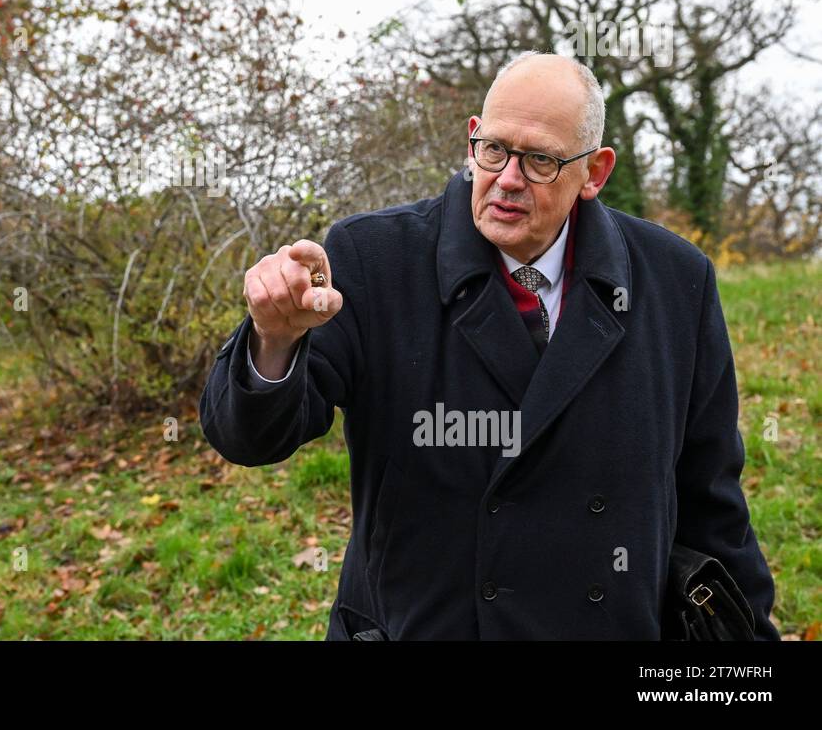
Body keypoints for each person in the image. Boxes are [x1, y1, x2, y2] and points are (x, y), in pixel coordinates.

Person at [199, 51, 779, 641]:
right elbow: (251, 440)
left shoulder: (675, 281)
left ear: (595, 173)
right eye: (495, 149)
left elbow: (713, 501)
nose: (507, 178)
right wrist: (275, 339)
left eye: (541, 161)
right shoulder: (374, 259)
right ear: (473, 139)